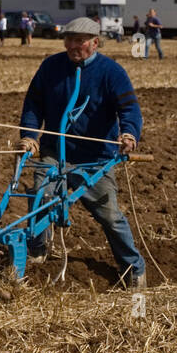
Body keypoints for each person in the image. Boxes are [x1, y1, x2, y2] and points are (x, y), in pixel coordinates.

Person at [17, 17, 146, 287]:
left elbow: (129, 109)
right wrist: (29, 136)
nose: (72, 45)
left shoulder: (111, 72)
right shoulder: (51, 67)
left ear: (94, 43)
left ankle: (134, 269)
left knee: (109, 216)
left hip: (95, 158)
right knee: (40, 198)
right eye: (69, 40)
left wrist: (129, 133)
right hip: (55, 152)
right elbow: (33, 104)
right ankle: (37, 251)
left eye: (79, 41)